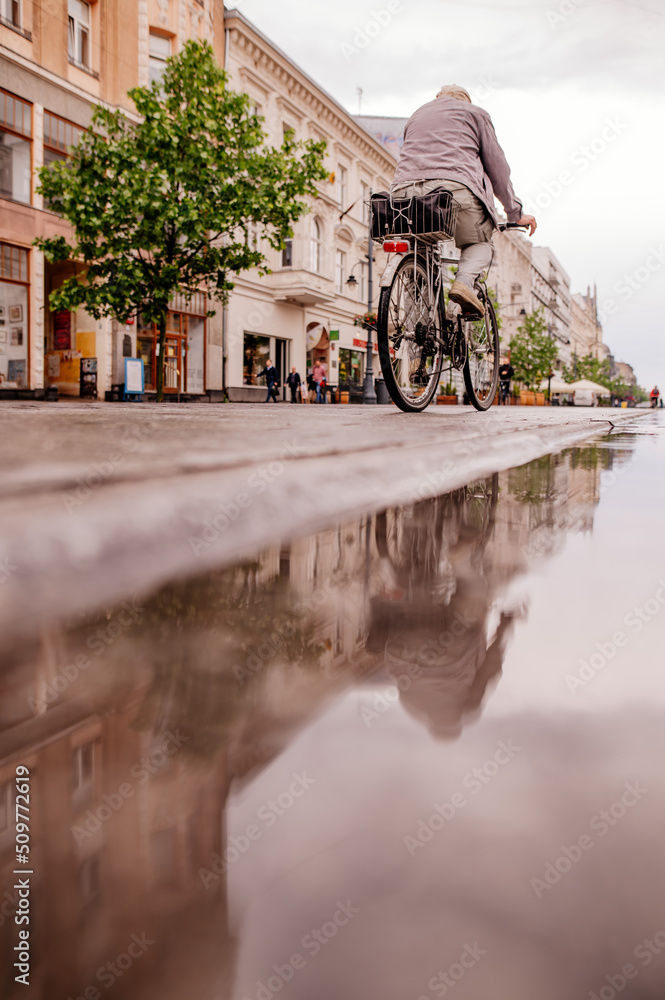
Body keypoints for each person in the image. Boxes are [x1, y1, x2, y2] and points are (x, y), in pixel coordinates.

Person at [391, 84, 537, 316]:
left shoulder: (416, 116)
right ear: (465, 101)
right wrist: (514, 213)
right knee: (479, 242)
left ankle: (414, 328)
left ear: (437, 99)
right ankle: (464, 284)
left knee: (419, 249)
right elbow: (498, 169)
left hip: (402, 196)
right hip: (453, 191)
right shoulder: (475, 114)